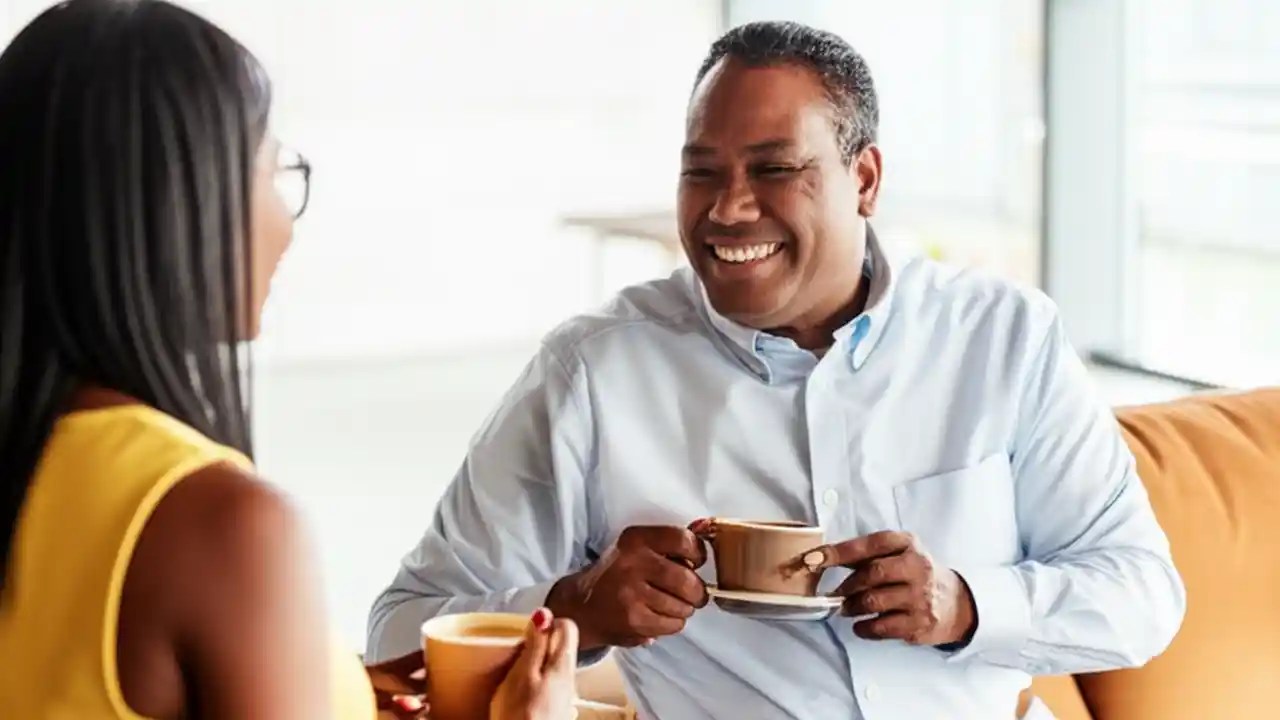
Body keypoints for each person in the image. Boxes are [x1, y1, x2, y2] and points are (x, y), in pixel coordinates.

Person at [367, 20, 1186, 719]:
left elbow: (1141, 595)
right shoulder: (595, 372)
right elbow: (399, 635)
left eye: (773, 169)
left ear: (864, 180)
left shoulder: (1004, 337)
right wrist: (578, 608)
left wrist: (964, 605)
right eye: (701, 171)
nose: (726, 208)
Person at [0, 1, 577, 718]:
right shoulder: (221, 524)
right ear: (183, 207)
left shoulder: (47, 461)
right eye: (273, 171)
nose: (285, 223)